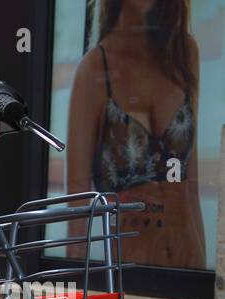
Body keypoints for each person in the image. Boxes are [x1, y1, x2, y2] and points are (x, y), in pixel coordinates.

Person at [66, 0, 204, 268]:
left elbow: (190, 186)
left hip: (189, 264)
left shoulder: (184, 53)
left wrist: (207, 285)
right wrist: (77, 294)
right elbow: (78, 205)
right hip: (129, 273)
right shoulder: (94, 70)